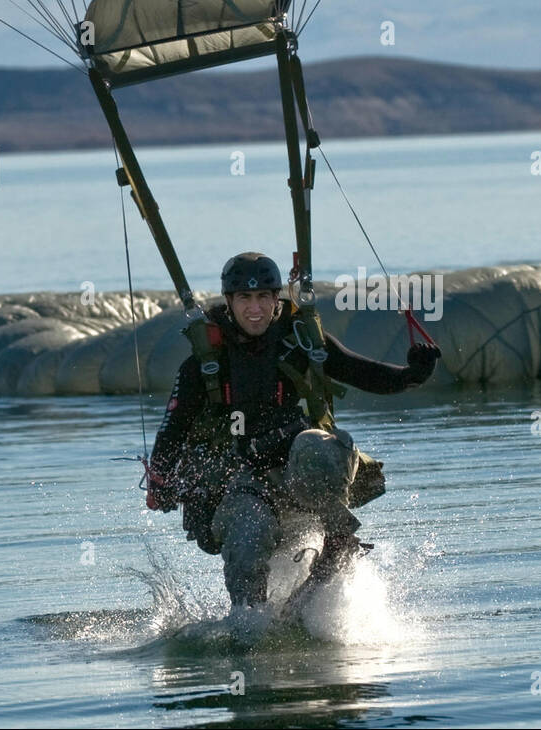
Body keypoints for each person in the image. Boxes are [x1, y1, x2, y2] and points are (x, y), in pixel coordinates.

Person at [144, 252, 441, 610]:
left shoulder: (301, 340)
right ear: (229, 302)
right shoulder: (203, 364)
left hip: (298, 477)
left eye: (263, 298)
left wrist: (411, 376)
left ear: (276, 300)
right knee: (250, 531)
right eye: (244, 299)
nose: (255, 309)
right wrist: (160, 481)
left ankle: (337, 544)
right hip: (239, 487)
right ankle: (250, 621)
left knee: (323, 444)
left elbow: (366, 374)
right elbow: (171, 432)